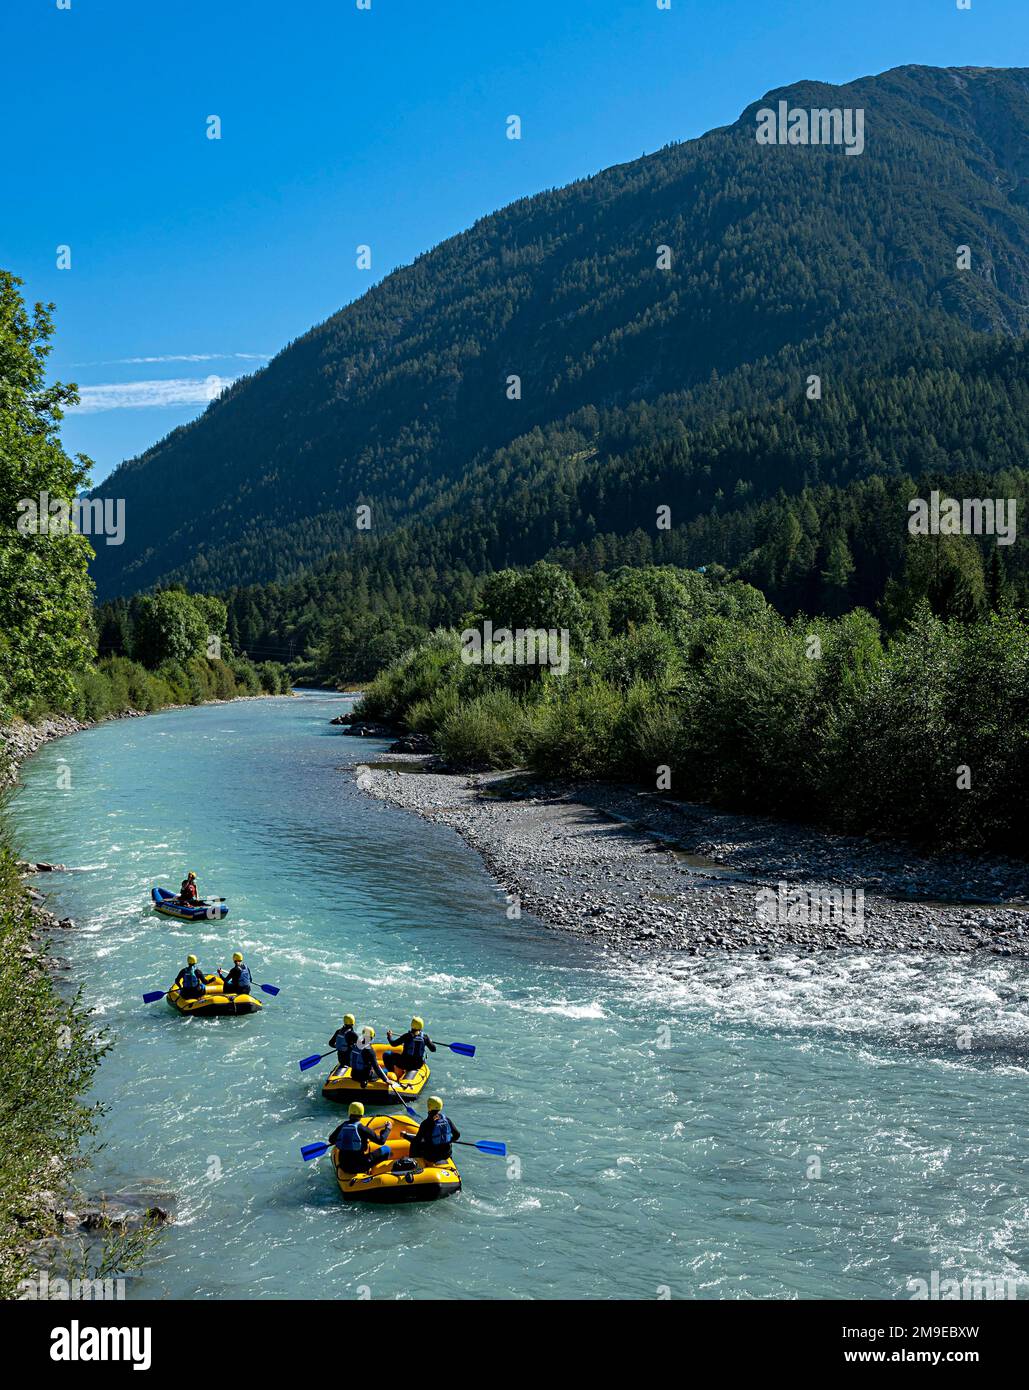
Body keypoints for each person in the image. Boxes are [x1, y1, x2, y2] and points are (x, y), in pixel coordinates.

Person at [329, 1102, 392, 1173]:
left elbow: (331, 1140)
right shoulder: (363, 1129)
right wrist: (388, 1129)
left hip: (344, 1166)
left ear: (349, 1113)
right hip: (360, 1166)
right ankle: (378, 1170)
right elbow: (381, 1141)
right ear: (361, 1114)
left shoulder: (342, 1126)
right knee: (386, 1149)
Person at [408, 1096, 460, 1163]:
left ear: (429, 1106)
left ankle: (413, 1162)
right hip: (446, 1154)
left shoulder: (425, 1123)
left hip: (431, 1156)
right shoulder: (447, 1119)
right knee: (448, 1146)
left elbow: (417, 1140)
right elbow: (457, 1135)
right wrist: (447, 1140)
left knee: (413, 1143)